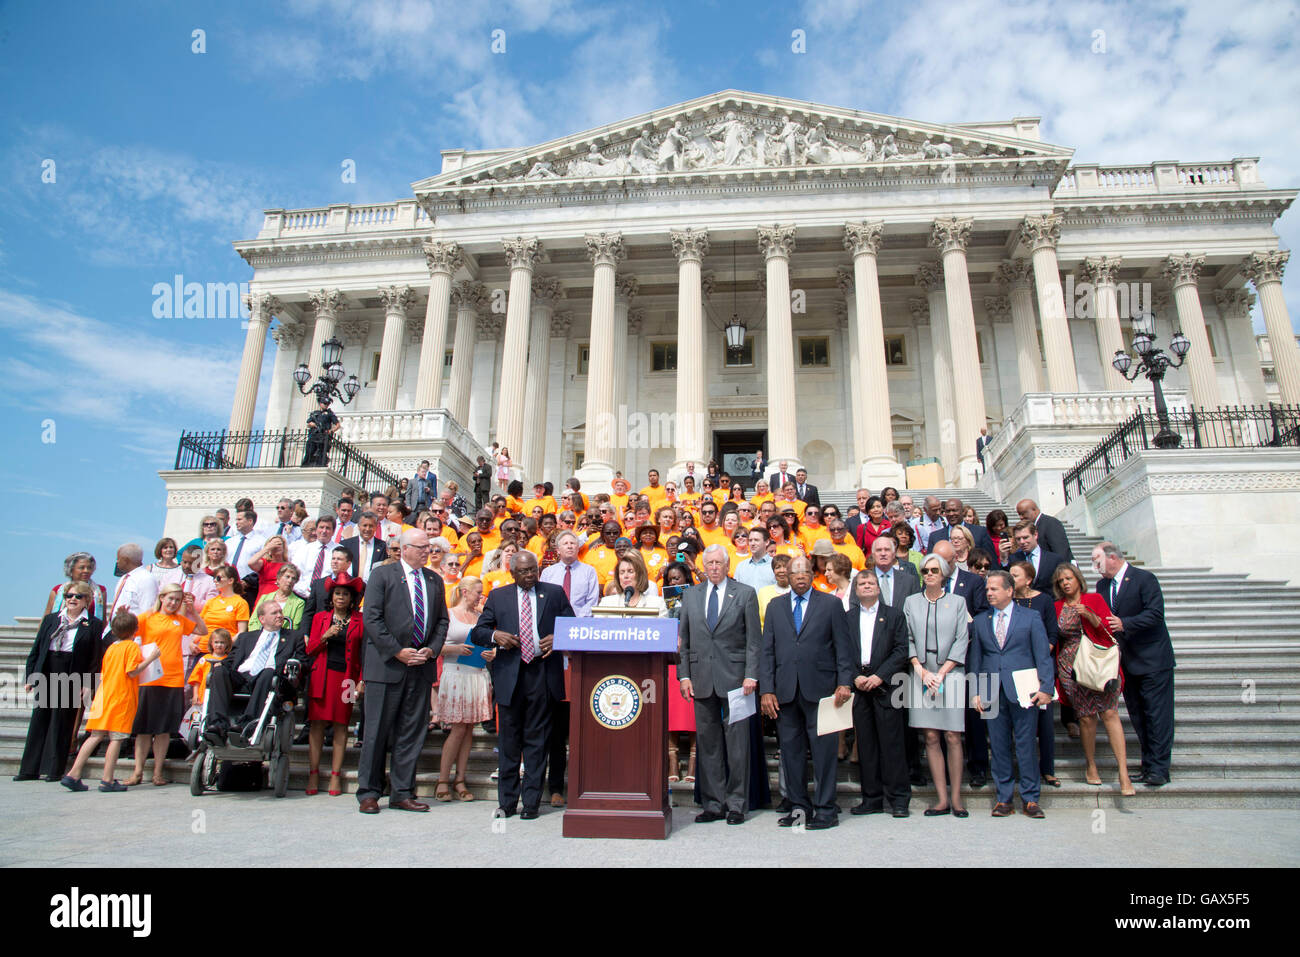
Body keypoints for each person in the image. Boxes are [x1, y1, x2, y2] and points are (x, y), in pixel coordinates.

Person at [471, 551, 575, 820]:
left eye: (533, 570)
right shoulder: (498, 596)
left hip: (542, 672)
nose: (530, 575)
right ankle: (506, 803)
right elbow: (479, 631)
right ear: (512, 572)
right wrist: (496, 635)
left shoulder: (553, 593)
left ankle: (531, 803)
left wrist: (557, 637)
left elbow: (573, 626)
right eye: (524, 571)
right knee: (509, 742)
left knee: (537, 742)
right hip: (510, 674)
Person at [356, 529, 449, 814]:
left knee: (411, 732)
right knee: (376, 731)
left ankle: (402, 791)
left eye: (429, 547)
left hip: (420, 667)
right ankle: (369, 792)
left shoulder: (434, 580)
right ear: (405, 548)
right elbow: (372, 617)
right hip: (386, 666)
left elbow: (442, 621)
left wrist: (431, 649)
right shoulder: (382, 576)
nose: (427, 551)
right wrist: (396, 650)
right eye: (422, 547)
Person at [759, 556, 853, 830]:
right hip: (785, 692)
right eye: (794, 572)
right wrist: (767, 689)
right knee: (791, 753)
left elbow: (843, 648)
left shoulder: (831, 604)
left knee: (823, 753)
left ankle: (826, 809)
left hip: (822, 690)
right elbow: (767, 651)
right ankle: (799, 806)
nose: (800, 577)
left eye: (805, 572)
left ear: (813, 575)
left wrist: (844, 681)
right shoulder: (775, 607)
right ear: (785, 575)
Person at [677, 545, 761, 825]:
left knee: (737, 744)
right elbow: (684, 640)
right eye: (709, 562)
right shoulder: (690, 595)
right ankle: (714, 803)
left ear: (727, 566)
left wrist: (751, 674)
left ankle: (736, 803)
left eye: (718, 563)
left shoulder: (745, 594)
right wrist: (684, 675)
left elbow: (753, 641)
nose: (713, 567)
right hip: (701, 679)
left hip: (737, 680)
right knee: (708, 744)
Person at [970, 570, 1055, 818]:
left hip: (1024, 689)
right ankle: (1004, 798)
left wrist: (1046, 687)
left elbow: (1042, 654)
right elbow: (976, 658)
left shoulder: (1030, 617)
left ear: (1009, 590)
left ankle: (1030, 797)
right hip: (992, 690)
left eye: (994, 589)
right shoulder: (980, 620)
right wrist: (976, 691)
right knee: (998, 745)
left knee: (1026, 743)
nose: (989, 593)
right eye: (987, 589)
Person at [1092, 542, 1174, 787]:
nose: (1095, 567)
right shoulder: (1102, 586)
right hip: (1126, 664)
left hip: (1153, 661)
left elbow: (1155, 614)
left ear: (1113, 557)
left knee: (1157, 716)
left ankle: (1160, 768)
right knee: (1138, 716)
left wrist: (1124, 623)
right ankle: (1148, 765)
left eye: (1097, 561)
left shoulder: (1144, 579)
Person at [904, 554, 971, 817]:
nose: (929, 574)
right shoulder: (911, 602)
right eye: (925, 570)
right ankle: (941, 798)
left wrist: (941, 673)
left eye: (934, 570)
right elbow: (907, 636)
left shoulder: (957, 602)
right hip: (920, 673)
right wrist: (920, 670)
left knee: (953, 735)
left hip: (950, 673)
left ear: (943, 574)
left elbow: (961, 639)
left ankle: (956, 798)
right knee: (930, 736)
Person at [16, 583, 104, 782]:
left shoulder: (94, 624)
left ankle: (54, 770)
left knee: (62, 722)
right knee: (40, 719)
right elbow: (37, 648)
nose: (72, 599)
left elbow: (95, 658)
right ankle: (29, 769)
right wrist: (30, 676)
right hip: (48, 669)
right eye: (69, 595)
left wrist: (88, 683)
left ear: (87, 601)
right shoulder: (51, 619)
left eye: (78, 596)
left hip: (72, 671)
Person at [61, 610, 156, 792]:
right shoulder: (132, 647)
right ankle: (107, 779)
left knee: (95, 736)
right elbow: (132, 671)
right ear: (135, 630)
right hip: (121, 697)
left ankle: (74, 773)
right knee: (116, 738)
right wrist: (151, 658)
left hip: (104, 696)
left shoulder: (111, 647)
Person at [539, 529, 599, 806]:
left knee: (577, 725)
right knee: (553, 726)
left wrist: (570, 629)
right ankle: (552, 786)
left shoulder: (588, 571)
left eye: (574, 543)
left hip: (578, 647)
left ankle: (581, 783)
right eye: (565, 543)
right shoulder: (548, 574)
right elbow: (541, 607)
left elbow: (591, 605)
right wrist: (557, 632)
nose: (570, 546)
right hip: (552, 651)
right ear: (557, 547)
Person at [128, 583, 208, 786]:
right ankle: (137, 771)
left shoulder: (179, 620)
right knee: (144, 728)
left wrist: (191, 611)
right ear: (162, 598)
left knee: (164, 729)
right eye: (170, 599)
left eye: (177, 600)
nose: (173, 603)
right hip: (149, 676)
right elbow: (128, 631)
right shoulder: (147, 617)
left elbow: (202, 629)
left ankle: (157, 772)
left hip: (172, 678)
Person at [849, 571, 911, 817]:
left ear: (879, 588)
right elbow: (842, 650)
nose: (866, 586)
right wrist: (855, 676)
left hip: (885, 686)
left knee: (892, 745)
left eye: (871, 583)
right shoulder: (848, 618)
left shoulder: (894, 615)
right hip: (859, 686)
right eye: (862, 583)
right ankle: (871, 798)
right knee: (866, 745)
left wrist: (880, 676)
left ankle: (898, 799)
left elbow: (901, 650)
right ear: (855, 590)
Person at [303, 573, 365, 797]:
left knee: (341, 726)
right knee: (317, 724)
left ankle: (336, 775)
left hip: (347, 679)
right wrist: (324, 636)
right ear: (332, 596)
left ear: (351, 598)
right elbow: (309, 650)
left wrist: (362, 680)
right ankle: (313, 772)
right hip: (322, 677)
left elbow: (364, 653)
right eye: (337, 593)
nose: (341, 597)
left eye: (345, 594)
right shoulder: (320, 618)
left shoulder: (360, 620)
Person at [435, 576, 493, 802]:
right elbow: (434, 646)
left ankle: (460, 778)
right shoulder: (448, 615)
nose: (481, 596)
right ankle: (442, 779)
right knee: (458, 728)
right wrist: (454, 648)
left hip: (476, 673)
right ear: (464, 592)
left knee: (469, 728)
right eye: (478, 592)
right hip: (456, 671)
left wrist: (490, 652)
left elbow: (488, 643)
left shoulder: (480, 617)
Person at [1010, 560, 1061, 789]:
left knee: (1044, 721)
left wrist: (1038, 655)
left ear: (1028, 579)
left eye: (1016, 575)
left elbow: (1052, 634)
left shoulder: (1044, 600)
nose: (1011, 579)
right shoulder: (1006, 601)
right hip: (1014, 667)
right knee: (1018, 723)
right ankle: (1020, 769)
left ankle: (1047, 769)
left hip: (1038, 667)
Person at [660, 561, 697, 783]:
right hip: (671, 659)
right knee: (672, 714)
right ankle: (672, 760)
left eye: (678, 579)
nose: (674, 582)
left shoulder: (697, 596)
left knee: (692, 714)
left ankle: (693, 762)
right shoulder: (664, 600)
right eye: (670, 580)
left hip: (692, 660)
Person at [104, 543, 159, 637]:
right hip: (112, 633)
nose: (117, 562)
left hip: (131, 636)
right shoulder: (124, 578)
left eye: (118, 558)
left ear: (126, 560)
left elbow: (147, 612)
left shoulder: (146, 579)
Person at [43, 551, 110, 621]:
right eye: (81, 567)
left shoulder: (100, 591)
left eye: (89, 568)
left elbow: (103, 618)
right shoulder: (57, 590)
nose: (86, 571)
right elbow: (47, 617)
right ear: (71, 569)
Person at [926, 498, 996, 557]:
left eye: (954, 510)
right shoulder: (935, 537)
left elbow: (991, 560)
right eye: (948, 511)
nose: (951, 514)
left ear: (962, 512)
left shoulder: (980, 532)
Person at [1007, 521, 1064, 593]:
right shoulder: (1013, 559)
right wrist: (1003, 558)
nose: (1022, 542)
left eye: (1025, 537)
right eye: (1018, 539)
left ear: (1035, 535)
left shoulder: (1054, 560)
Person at [253, 563, 306, 630]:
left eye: (293, 578)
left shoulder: (299, 603)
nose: (290, 581)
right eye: (287, 577)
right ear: (278, 578)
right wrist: (257, 635)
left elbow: (294, 627)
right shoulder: (264, 598)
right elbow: (253, 621)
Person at [342, 511, 386, 585]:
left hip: (371, 588)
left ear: (376, 527)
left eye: (371, 526)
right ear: (359, 526)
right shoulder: (346, 544)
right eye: (364, 525)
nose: (367, 529)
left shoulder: (382, 546)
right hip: (349, 587)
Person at [302, 394, 340, 467]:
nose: (326, 405)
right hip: (314, 434)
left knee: (322, 451)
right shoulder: (315, 413)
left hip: (323, 435)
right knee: (310, 450)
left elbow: (338, 425)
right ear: (320, 404)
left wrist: (331, 431)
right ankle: (306, 464)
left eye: (327, 404)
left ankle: (320, 464)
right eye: (324, 403)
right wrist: (312, 424)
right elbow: (308, 423)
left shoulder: (330, 414)